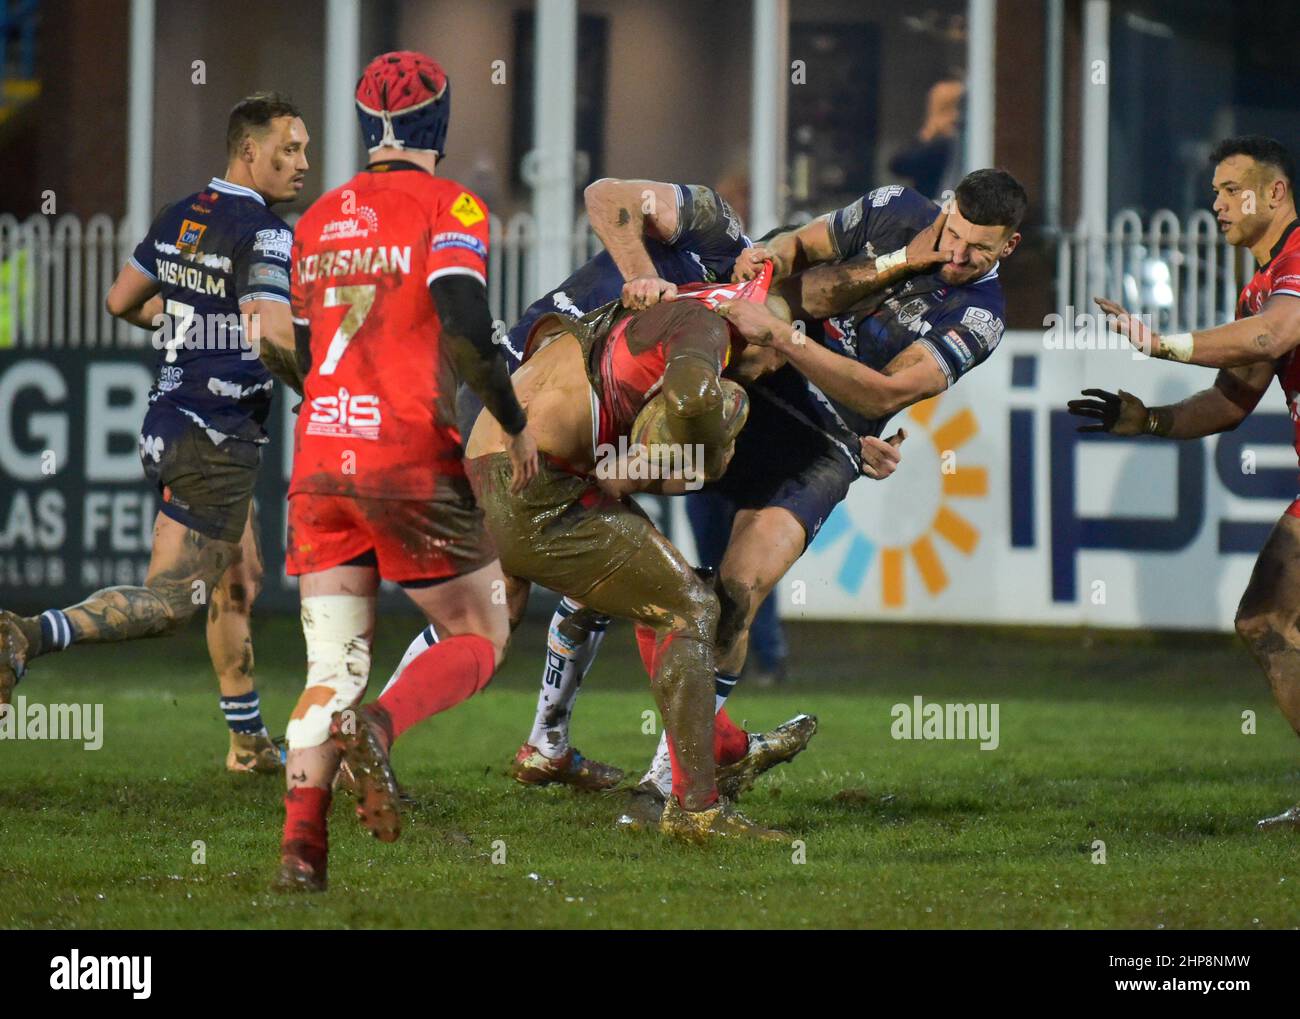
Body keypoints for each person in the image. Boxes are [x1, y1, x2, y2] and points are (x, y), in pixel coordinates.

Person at [273, 50, 538, 891]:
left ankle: (301, 853)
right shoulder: (451, 203)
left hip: (319, 457)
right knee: (482, 625)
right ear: (441, 126)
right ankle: (382, 726)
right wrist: (513, 416)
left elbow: (297, 346)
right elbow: (464, 315)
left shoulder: (317, 218)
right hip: (406, 456)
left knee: (329, 667)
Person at [0, 92, 309, 773]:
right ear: (249, 151)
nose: (303, 164)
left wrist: (188, 328)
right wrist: (318, 393)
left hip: (173, 419)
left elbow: (120, 300)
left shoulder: (184, 213)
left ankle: (247, 741)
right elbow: (274, 333)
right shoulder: (264, 232)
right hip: (214, 436)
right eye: (290, 149)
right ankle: (28, 632)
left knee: (239, 578)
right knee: (174, 598)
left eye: (305, 150)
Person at [463, 270, 786, 841]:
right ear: (749, 324)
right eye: (776, 345)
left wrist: (666, 466)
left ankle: (365, 736)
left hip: (508, 466)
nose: (776, 365)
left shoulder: (632, 320)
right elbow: (687, 402)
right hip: (538, 489)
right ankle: (695, 809)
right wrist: (701, 440)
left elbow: (620, 470)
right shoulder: (707, 329)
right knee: (692, 609)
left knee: (660, 598)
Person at [1071, 135, 1300, 830]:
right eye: (1217, 191)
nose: (1218, 203)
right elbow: (1233, 400)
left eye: (1233, 189)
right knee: (1265, 619)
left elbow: (1272, 337)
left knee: (1270, 617)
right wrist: (1149, 421)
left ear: (1277, 193)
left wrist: (1165, 343)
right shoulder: (1259, 284)